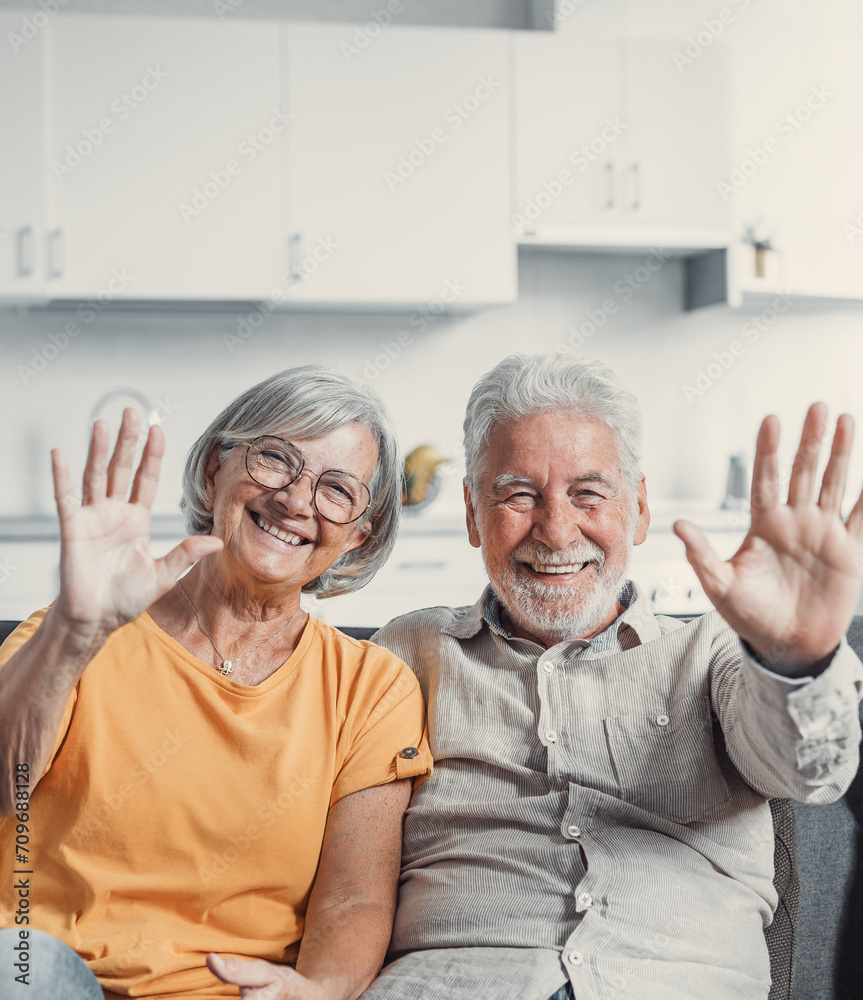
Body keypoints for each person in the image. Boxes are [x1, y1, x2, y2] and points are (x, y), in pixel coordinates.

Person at [361, 353, 863, 1000]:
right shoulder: (405, 654)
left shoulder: (715, 652)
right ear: (469, 512)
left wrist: (797, 657)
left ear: (639, 507)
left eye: (587, 493)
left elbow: (811, 769)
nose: (555, 529)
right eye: (518, 495)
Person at [0, 365, 432, 1000]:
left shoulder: (370, 689)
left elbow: (353, 901)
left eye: (336, 490)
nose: (296, 500)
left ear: (357, 538)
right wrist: (71, 630)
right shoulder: (66, 639)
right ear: (214, 471)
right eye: (277, 459)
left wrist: (314, 992)